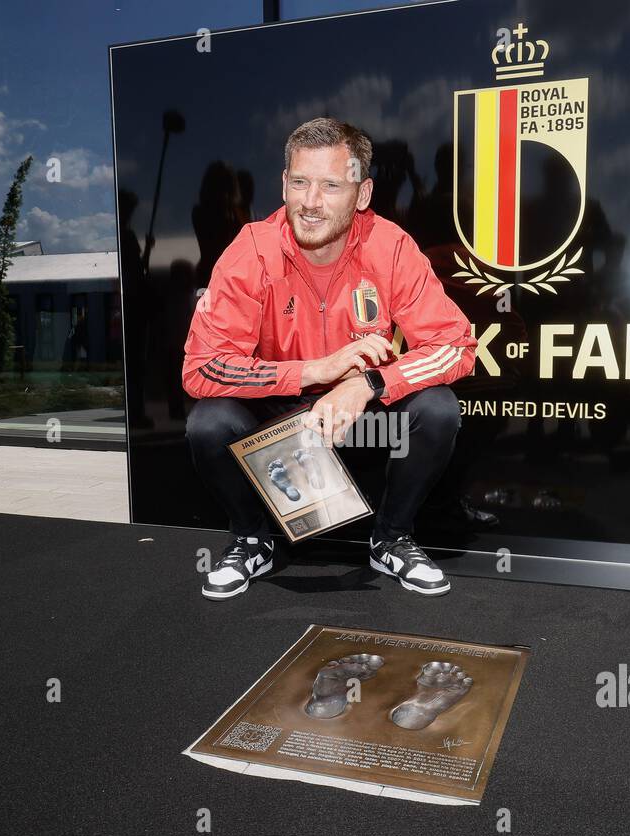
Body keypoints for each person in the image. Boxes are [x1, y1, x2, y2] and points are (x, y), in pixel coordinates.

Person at [182, 117, 477, 600]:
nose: (310, 202)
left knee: (438, 408)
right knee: (209, 422)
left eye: (330, 186)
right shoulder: (251, 250)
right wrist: (316, 370)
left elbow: (456, 345)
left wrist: (368, 384)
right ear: (284, 184)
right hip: (282, 414)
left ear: (361, 194)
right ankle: (255, 538)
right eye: (299, 182)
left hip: (361, 419)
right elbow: (202, 368)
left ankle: (392, 538)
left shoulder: (390, 246)